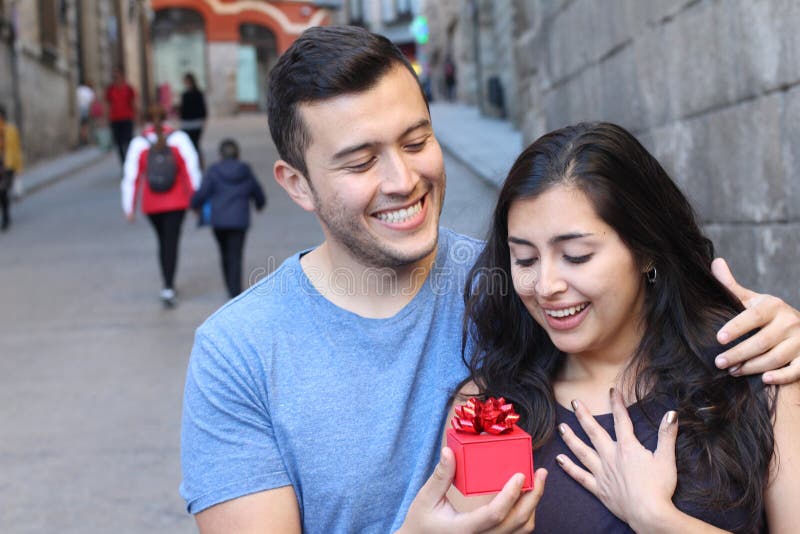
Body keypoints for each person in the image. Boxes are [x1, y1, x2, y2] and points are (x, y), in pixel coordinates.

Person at [179, 26, 800, 534]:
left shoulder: (519, 290)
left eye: (417, 140)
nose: (402, 180)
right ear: (296, 184)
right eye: (362, 161)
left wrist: (775, 331)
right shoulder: (239, 353)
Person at [453, 122, 799, 532]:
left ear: (645, 249)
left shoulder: (755, 370)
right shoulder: (490, 411)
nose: (545, 286)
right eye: (525, 260)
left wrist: (656, 518)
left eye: (576, 256)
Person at [121, 105, 201, 307]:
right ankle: (168, 285)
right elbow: (191, 170)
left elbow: (131, 177)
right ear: (166, 117)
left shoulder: (139, 143)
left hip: (152, 204)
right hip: (177, 202)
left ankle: (166, 282)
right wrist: (196, 201)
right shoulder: (179, 138)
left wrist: (129, 208)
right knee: (171, 242)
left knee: (162, 241)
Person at [190, 138, 266, 298]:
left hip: (219, 221)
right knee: (236, 255)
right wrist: (259, 205)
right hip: (239, 221)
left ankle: (230, 286)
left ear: (220, 155)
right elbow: (257, 190)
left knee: (224, 252)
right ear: (238, 154)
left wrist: (194, 205)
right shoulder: (245, 170)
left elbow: (202, 192)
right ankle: (235, 290)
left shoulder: (213, 170)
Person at [106, 68, 137, 165]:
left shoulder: (128, 88)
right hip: (115, 119)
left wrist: (136, 117)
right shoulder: (110, 89)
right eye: (114, 77)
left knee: (128, 142)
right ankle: (124, 163)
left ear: (122, 77)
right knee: (118, 143)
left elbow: (133, 103)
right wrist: (104, 119)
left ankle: (130, 161)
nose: (116, 79)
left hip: (127, 118)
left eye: (117, 76)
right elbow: (107, 104)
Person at [0, 105, 23, 231]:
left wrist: (18, 168)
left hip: (7, 165)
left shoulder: (11, 130)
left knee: (3, 191)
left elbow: (16, 149)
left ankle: (5, 217)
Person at [179, 72, 207, 168]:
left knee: (195, 144)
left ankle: (198, 163)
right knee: (189, 144)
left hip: (196, 122)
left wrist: (203, 120)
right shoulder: (185, 94)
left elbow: (202, 108)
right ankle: (193, 162)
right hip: (187, 123)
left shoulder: (197, 93)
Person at [76, 81, 96, 146]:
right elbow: (92, 102)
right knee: (85, 125)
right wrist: (91, 111)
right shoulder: (89, 91)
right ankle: (85, 139)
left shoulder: (79, 89)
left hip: (79, 109)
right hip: (86, 109)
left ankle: (83, 138)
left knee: (82, 125)